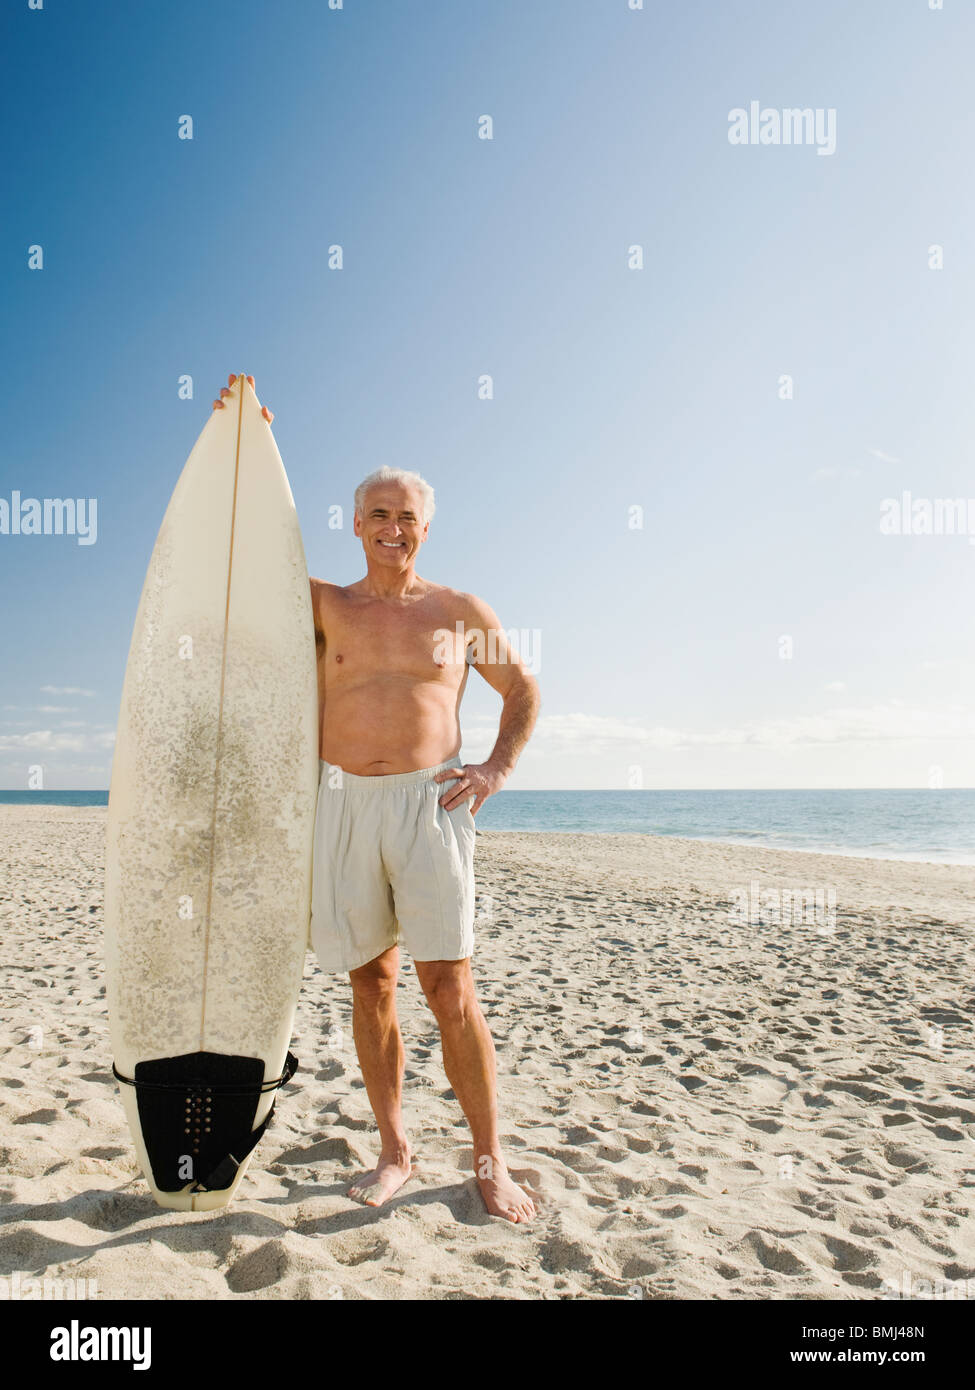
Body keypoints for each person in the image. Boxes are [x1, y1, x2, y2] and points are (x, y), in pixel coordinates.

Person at [213, 376, 541, 1223]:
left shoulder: (457, 607)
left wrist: (494, 772)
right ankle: (395, 1150)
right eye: (378, 515)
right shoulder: (323, 605)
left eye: (407, 518)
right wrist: (244, 444)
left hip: (430, 806)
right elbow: (242, 555)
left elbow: (521, 692)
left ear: (425, 529)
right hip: (343, 804)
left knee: (449, 986)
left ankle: (487, 1157)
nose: (393, 529)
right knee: (372, 983)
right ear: (355, 525)